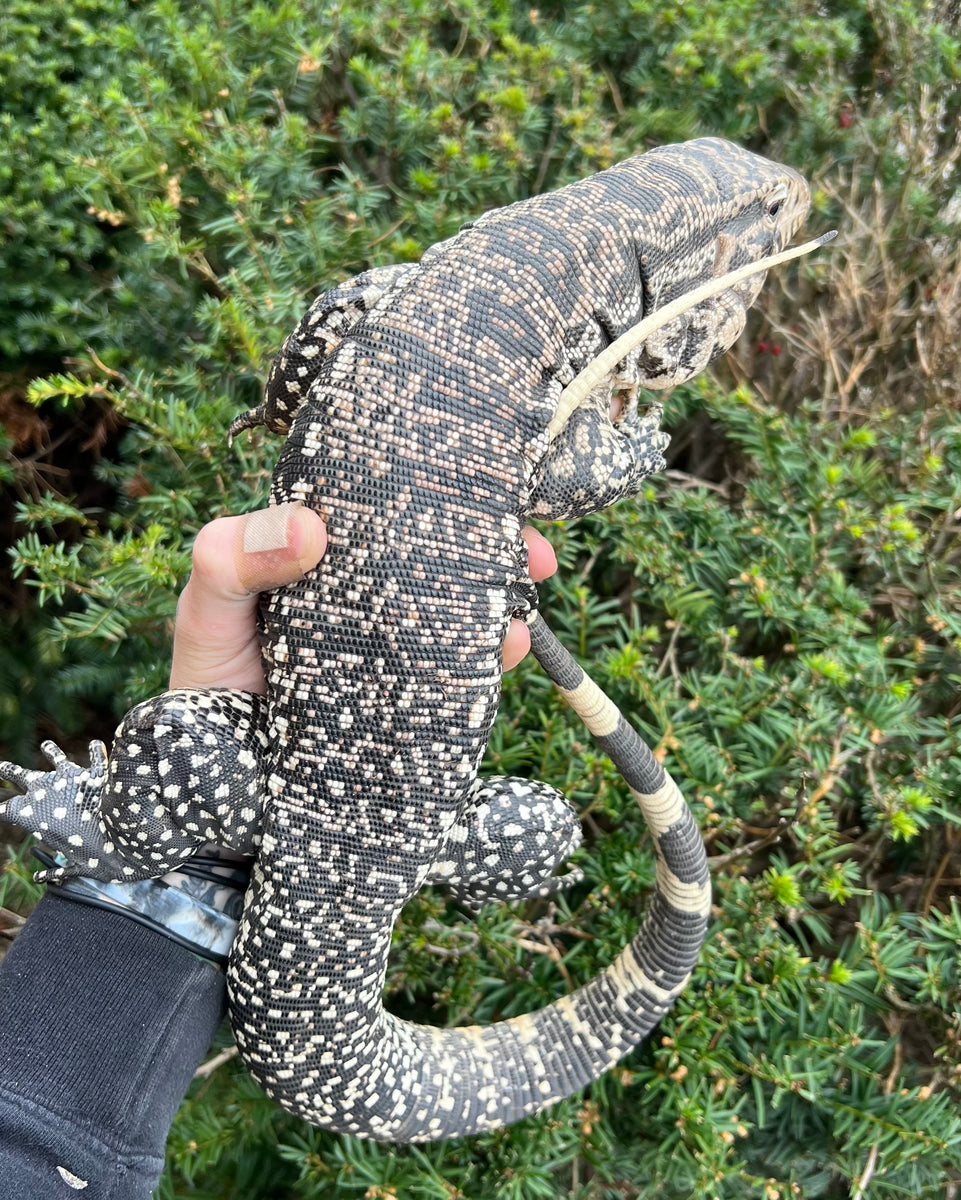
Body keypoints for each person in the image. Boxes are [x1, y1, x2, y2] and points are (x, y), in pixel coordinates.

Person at [0, 504, 557, 1198]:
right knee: (542, 825)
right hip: (359, 825)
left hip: (310, 808)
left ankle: (127, 846)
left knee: (180, 729)